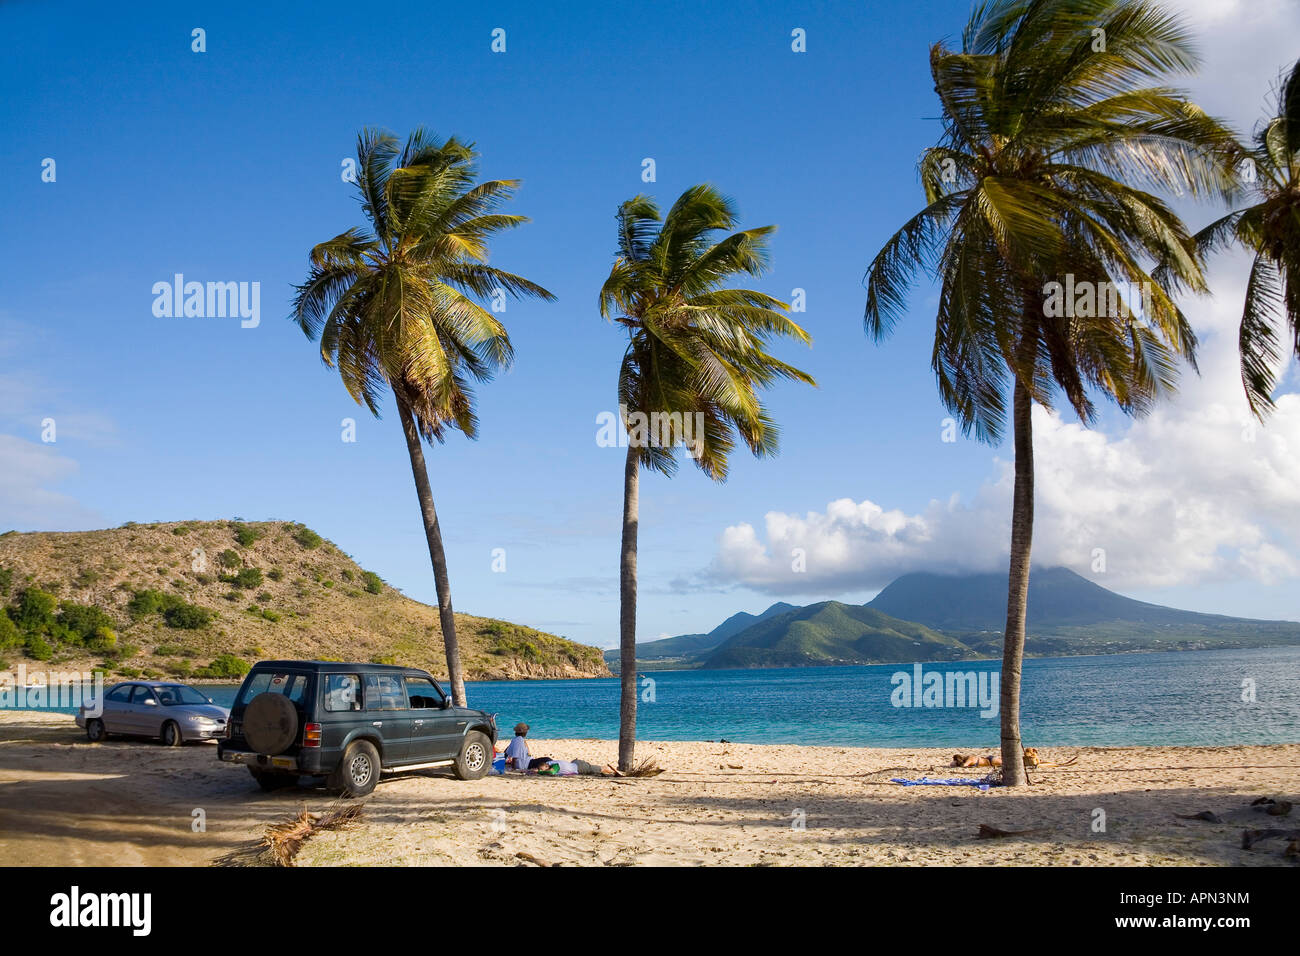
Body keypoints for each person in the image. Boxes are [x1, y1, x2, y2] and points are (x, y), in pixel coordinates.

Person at [534, 758, 620, 776]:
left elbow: (551, 772)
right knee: (595, 768)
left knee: (598, 769)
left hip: (580, 767)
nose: (543, 771)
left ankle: (613, 770)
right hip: (575, 763)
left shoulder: (555, 766)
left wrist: (539, 772)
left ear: (546, 766)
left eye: (543, 769)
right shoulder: (549, 763)